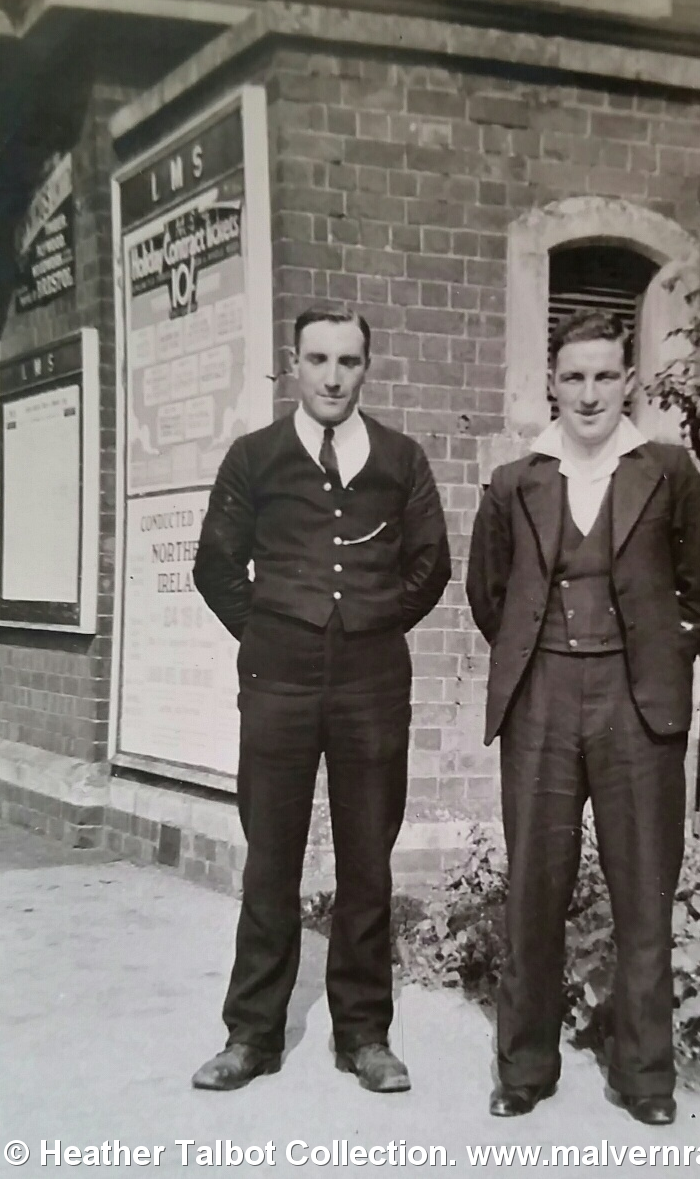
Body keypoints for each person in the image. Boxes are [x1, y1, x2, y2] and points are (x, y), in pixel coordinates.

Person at [466, 308, 700, 1125]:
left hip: (635, 704)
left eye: (605, 376)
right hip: (541, 699)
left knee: (642, 891)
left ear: (629, 383)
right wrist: (538, 658)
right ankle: (525, 1070)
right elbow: (490, 596)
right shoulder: (515, 482)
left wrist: (655, 658)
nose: (588, 394)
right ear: (552, 383)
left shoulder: (669, 472)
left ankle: (645, 1077)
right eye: (573, 377)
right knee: (534, 890)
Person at [190, 303, 451, 1094]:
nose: (333, 376)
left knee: (367, 858)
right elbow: (215, 566)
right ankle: (251, 1035)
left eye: (348, 361)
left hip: (373, 683)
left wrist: (368, 628)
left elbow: (430, 567)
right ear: (294, 365)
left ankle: (364, 1036)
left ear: (367, 368)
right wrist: (269, 632)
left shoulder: (402, 460)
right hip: (278, 683)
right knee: (271, 856)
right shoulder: (255, 457)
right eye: (318, 360)